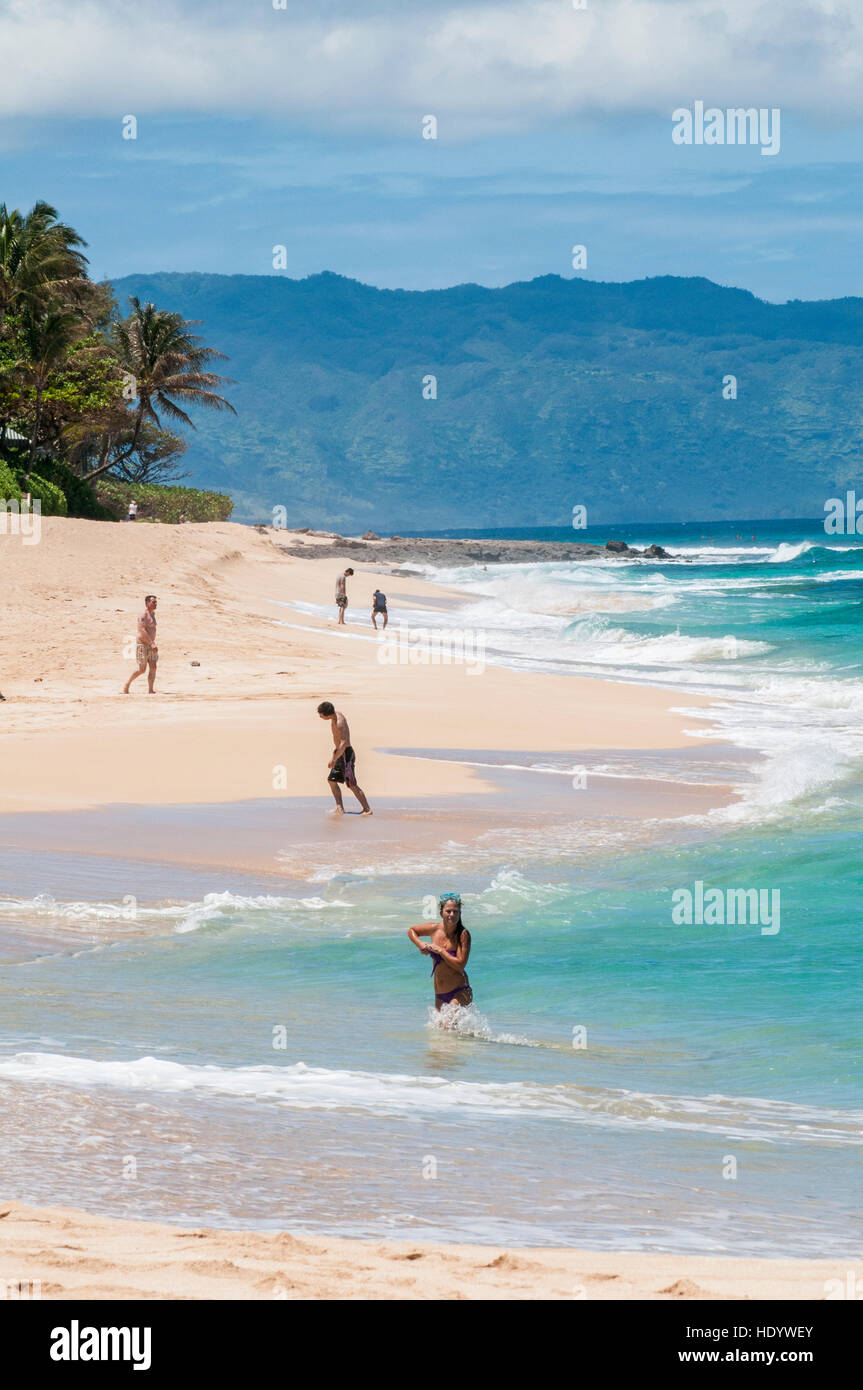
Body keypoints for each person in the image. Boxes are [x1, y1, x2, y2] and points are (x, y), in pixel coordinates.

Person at [407, 894, 473, 1010]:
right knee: (442, 1028)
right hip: (440, 995)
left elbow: (460, 965)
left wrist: (441, 951)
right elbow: (411, 930)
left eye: (455, 911)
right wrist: (420, 945)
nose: (451, 915)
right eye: (448, 911)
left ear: (460, 913)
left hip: (460, 991)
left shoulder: (463, 935)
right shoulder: (435, 929)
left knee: (448, 1022)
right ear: (441, 912)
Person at [316, 700, 372, 813]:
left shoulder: (339, 723)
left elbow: (344, 743)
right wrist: (335, 753)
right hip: (339, 753)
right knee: (331, 780)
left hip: (346, 755)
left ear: (327, 714)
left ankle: (367, 809)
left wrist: (334, 758)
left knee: (351, 784)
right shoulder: (335, 716)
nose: (320, 716)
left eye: (321, 714)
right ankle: (339, 808)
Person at [123, 595, 158, 694]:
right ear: (147, 603)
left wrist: (152, 643)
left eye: (156, 602)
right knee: (142, 669)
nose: (155, 604)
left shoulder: (152, 614)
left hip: (151, 645)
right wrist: (151, 643)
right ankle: (127, 684)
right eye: (153, 602)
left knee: (153, 666)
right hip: (143, 644)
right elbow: (141, 630)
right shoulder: (143, 615)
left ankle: (150, 689)